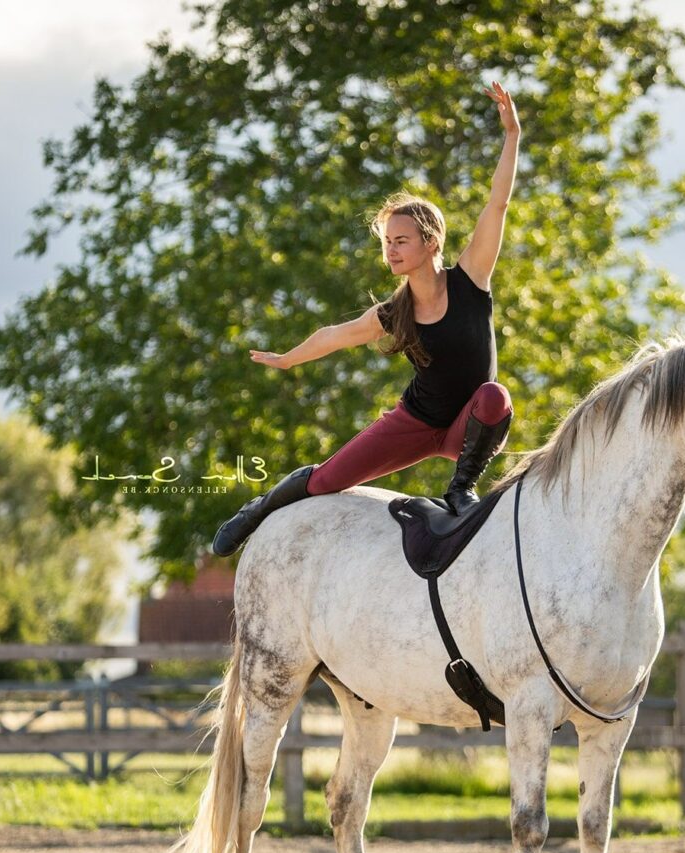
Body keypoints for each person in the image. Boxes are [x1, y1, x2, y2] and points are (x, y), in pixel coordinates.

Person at [211, 81, 520, 557]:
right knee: (327, 479)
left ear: (431, 242)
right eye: (387, 242)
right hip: (415, 422)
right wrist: (289, 359)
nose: (391, 250)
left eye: (401, 240)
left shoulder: (471, 279)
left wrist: (511, 135)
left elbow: (497, 204)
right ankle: (256, 512)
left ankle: (461, 489)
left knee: (494, 396)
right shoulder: (395, 313)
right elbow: (337, 335)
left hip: (467, 429)